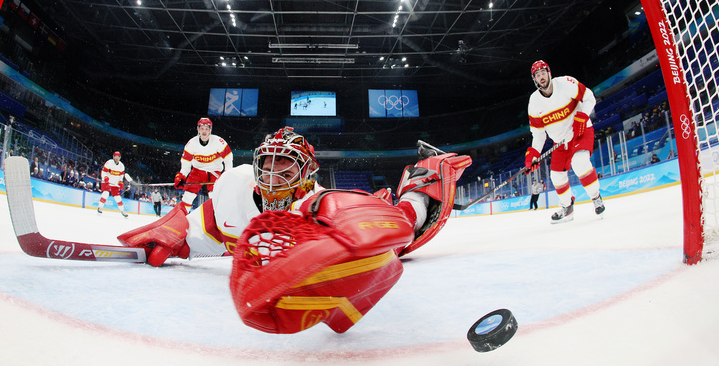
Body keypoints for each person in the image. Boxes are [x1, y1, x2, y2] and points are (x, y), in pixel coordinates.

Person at [117, 127, 472, 335]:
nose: (271, 177)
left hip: (359, 219)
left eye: (283, 168)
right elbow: (205, 228)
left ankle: (419, 185)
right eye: (266, 165)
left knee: (399, 232)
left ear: (306, 175)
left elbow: (381, 244)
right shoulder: (234, 184)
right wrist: (173, 237)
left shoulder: (320, 208)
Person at [525, 60, 605, 223]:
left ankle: (596, 197)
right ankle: (567, 207)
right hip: (560, 142)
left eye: (543, 73)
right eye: (537, 75)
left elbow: (589, 97)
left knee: (580, 162)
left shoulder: (566, 83)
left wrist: (583, 116)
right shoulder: (534, 102)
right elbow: (539, 134)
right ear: (534, 79)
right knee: (556, 177)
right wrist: (534, 154)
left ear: (549, 73)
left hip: (580, 132)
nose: (541, 77)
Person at [173, 117, 233, 211]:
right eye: (201, 128)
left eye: (206, 129)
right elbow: (186, 163)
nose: (204, 131)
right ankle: (182, 216)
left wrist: (227, 174)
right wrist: (182, 175)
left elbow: (228, 159)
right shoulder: (191, 144)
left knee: (215, 197)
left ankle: (217, 219)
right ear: (198, 130)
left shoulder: (219, 142)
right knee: (188, 196)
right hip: (197, 171)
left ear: (210, 130)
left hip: (214, 171)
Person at [97, 151, 128, 217]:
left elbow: (121, 176)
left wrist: (120, 182)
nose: (116, 158)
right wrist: (105, 178)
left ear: (120, 157)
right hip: (106, 182)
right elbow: (103, 172)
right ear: (113, 157)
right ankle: (100, 207)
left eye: (118, 157)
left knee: (118, 197)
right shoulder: (109, 163)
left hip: (115, 183)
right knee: (106, 193)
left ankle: (122, 211)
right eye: (115, 156)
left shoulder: (122, 166)